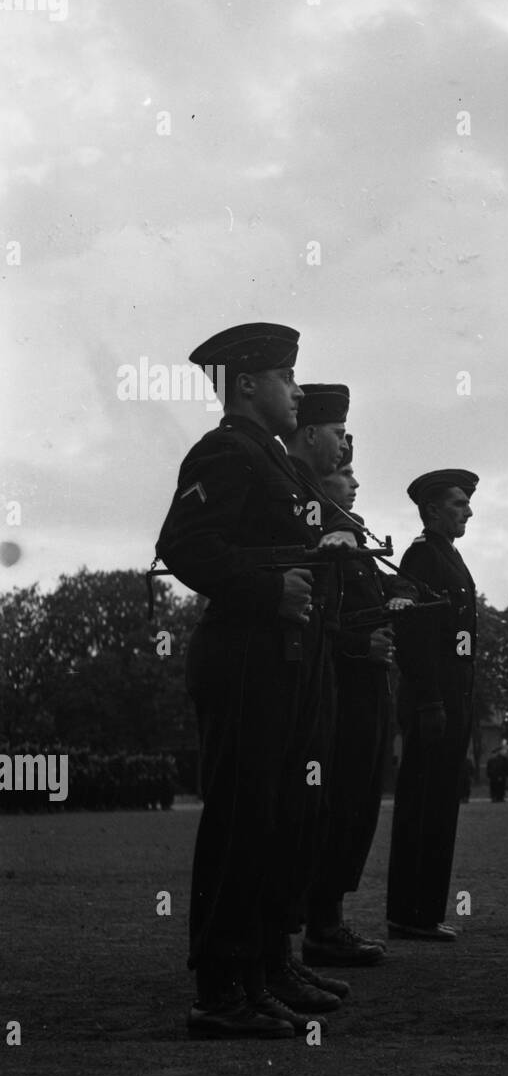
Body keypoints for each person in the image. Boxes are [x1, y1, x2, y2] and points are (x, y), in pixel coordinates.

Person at [156, 322, 346, 1038]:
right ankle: (222, 987)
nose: (297, 390)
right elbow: (183, 545)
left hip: (283, 658)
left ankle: (267, 966)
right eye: (285, 378)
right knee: (243, 819)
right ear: (246, 385)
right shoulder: (225, 451)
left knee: (281, 818)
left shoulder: (274, 459)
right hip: (243, 657)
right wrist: (271, 590)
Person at [299, 432, 393, 970]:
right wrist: (363, 645)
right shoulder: (325, 539)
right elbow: (323, 625)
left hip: (364, 693)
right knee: (333, 810)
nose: (355, 483)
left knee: (355, 808)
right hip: (339, 693)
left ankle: (327, 923)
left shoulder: (350, 537)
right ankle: (322, 928)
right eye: (346, 475)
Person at [387, 468, 479, 943]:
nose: (468, 510)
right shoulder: (421, 557)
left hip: (450, 701)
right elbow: (413, 634)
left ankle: (424, 911)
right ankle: (410, 913)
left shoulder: (449, 557)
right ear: (431, 510)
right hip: (433, 703)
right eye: (459, 503)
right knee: (422, 808)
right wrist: (429, 701)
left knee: (441, 807)